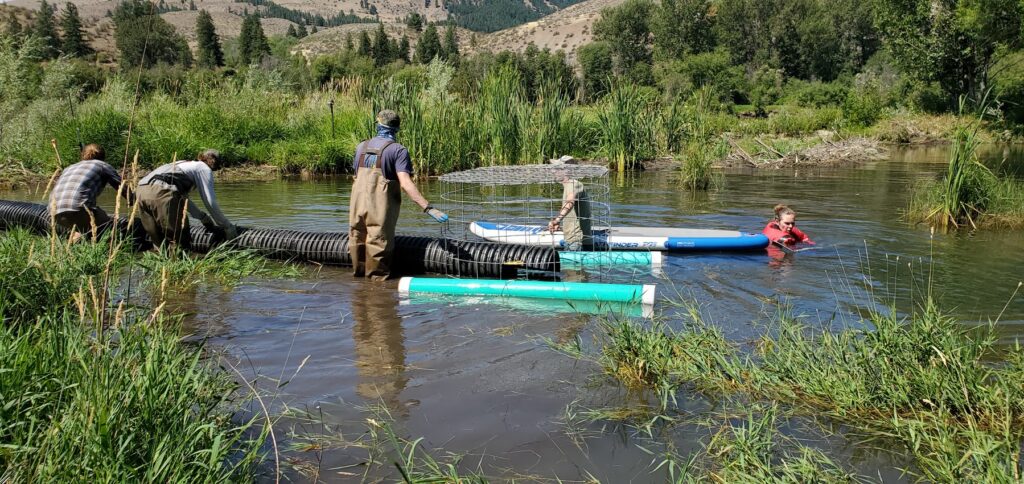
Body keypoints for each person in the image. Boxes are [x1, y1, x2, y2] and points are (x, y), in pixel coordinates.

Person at [349, 109, 447, 281]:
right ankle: (378, 290)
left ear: (378, 125)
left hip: (357, 205)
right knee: (378, 242)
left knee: (357, 239)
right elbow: (406, 184)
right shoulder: (398, 151)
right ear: (397, 129)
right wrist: (427, 207)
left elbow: (356, 177)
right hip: (379, 208)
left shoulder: (361, 147)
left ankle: (359, 288)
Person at [136, 150, 237, 251]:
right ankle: (180, 259)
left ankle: (162, 260)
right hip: (160, 190)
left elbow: (182, 199)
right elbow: (209, 201)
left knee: (158, 239)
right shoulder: (203, 168)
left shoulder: (184, 164)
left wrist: (202, 217)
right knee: (179, 238)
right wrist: (227, 226)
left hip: (140, 190)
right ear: (214, 161)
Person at [48, 144, 133, 242]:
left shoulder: (69, 167)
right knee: (110, 226)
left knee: (82, 230)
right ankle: (109, 249)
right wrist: (133, 201)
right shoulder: (103, 166)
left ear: (82, 156)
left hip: (53, 212)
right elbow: (122, 187)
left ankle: (72, 247)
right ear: (103, 157)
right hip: (78, 208)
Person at [547, 169, 593, 251]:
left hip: (576, 240)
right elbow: (569, 210)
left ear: (565, 171)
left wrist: (557, 220)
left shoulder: (574, 184)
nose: (553, 172)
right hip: (572, 238)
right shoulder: (568, 186)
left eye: (556, 170)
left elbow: (570, 202)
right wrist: (559, 223)